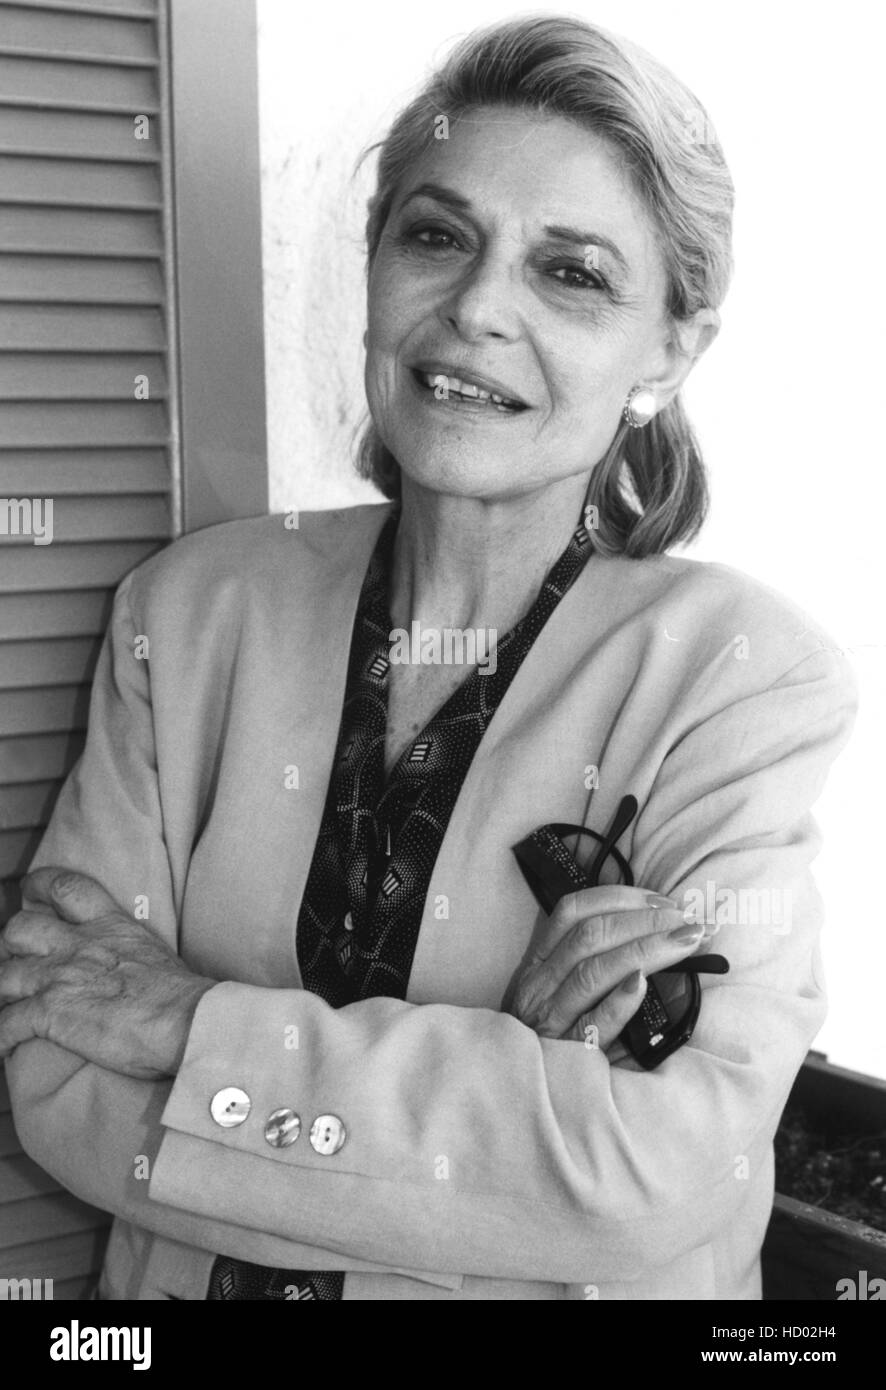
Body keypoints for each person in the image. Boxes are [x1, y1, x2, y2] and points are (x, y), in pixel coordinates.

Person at [0, 15, 857, 1300]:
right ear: (376, 264)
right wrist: (496, 1098)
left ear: (670, 349)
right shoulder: (187, 619)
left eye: (570, 273)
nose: (474, 310)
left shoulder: (740, 679)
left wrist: (184, 1024)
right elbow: (57, 1077)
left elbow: (642, 1182)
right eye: (437, 235)